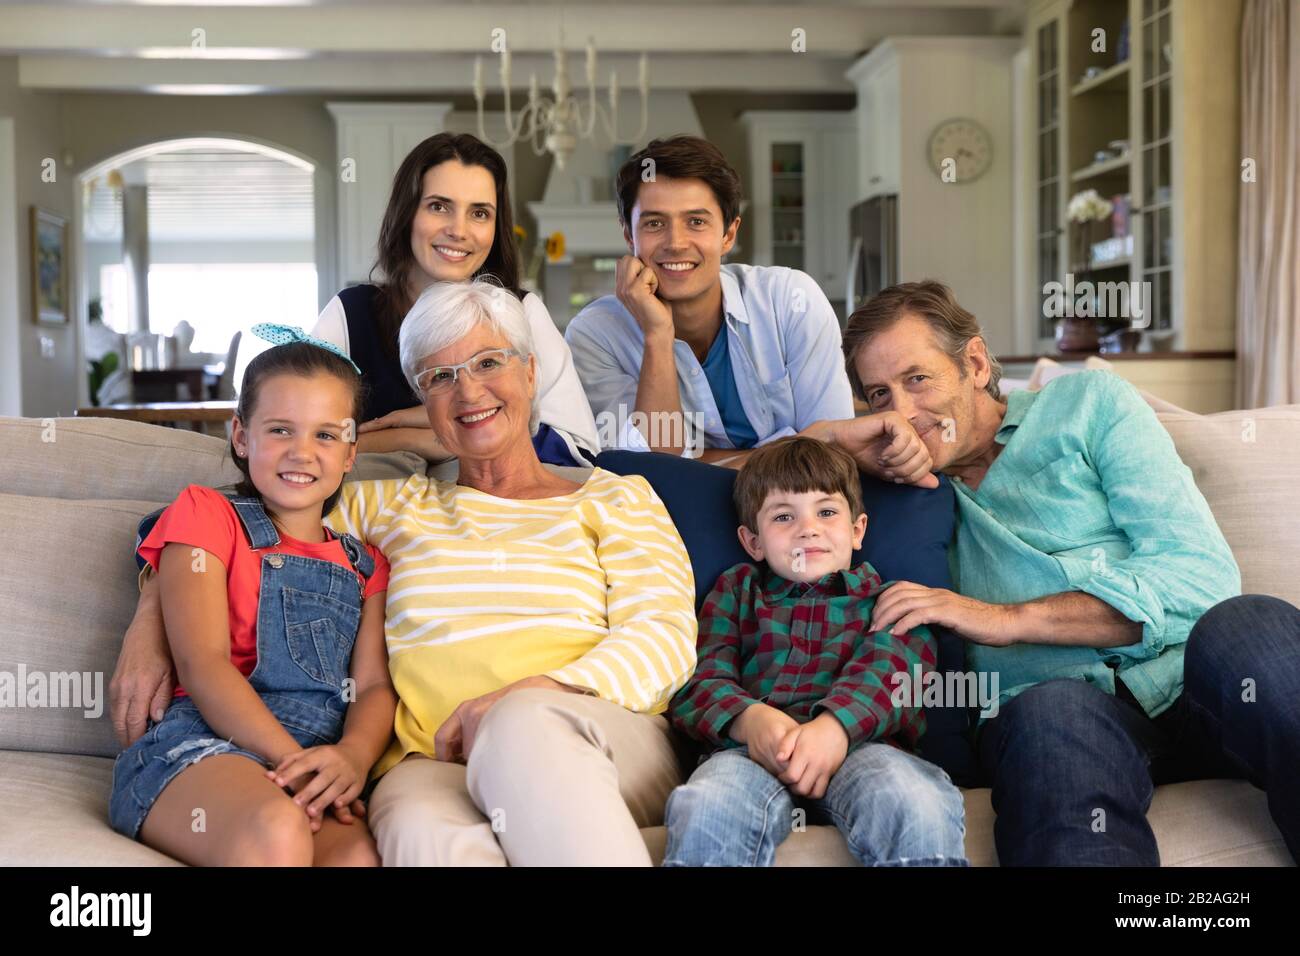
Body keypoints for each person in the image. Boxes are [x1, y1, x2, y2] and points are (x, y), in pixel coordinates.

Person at [112, 280, 698, 866]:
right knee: (417, 831)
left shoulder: (617, 499)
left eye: (488, 362)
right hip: (436, 758)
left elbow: (663, 640)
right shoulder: (390, 507)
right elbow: (229, 517)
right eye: (440, 378)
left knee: (523, 728)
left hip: (594, 734)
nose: (468, 390)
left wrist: (529, 697)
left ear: (530, 373)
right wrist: (149, 614)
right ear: (425, 401)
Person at [821, 278, 1300, 865]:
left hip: (1194, 684)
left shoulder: (1089, 405)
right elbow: (737, 479)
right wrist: (829, 439)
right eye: (877, 395)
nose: (902, 413)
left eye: (917, 379)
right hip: (1059, 715)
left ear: (973, 362)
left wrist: (1005, 619)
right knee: (1053, 712)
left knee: (1250, 624)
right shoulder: (882, 489)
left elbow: (1200, 578)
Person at [108, 329, 396, 866]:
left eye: (326, 436)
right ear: (241, 436)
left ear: (351, 451)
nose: (302, 452)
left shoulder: (367, 564)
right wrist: (292, 760)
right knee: (278, 828)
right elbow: (202, 664)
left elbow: (375, 685)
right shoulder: (206, 515)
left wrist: (353, 757)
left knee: (359, 857)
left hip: (311, 761)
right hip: (201, 748)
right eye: (280, 429)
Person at [663, 437, 966, 866]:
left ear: (857, 530)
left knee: (911, 800)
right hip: (750, 754)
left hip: (865, 747)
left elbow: (894, 672)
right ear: (753, 542)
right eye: (784, 516)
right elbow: (698, 678)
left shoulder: (888, 599)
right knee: (707, 805)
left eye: (826, 512)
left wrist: (835, 728)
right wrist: (750, 721)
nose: (809, 528)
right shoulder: (736, 591)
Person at [309, 131, 599, 466]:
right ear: (406, 214)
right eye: (438, 206)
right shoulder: (350, 314)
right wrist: (413, 437)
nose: (458, 230)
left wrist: (444, 438)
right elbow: (309, 437)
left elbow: (579, 450)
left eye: (479, 213)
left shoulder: (522, 311)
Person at [565, 135, 854, 467]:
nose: (676, 243)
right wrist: (657, 335)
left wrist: (702, 461)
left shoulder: (790, 301)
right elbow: (657, 468)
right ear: (629, 235)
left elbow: (833, 454)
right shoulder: (594, 336)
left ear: (729, 234)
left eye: (696, 222)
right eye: (655, 223)